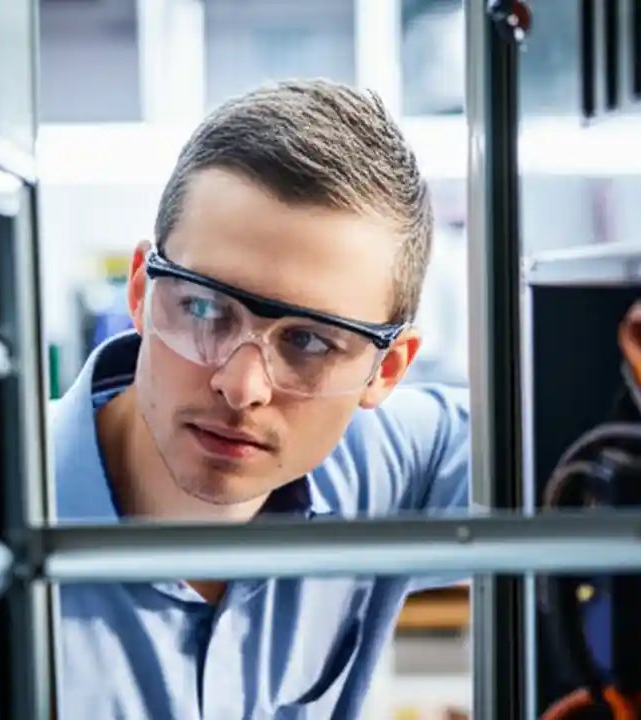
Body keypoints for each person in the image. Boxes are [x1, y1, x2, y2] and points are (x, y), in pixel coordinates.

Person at [50, 79, 471, 718]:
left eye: (308, 342)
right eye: (203, 308)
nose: (242, 387)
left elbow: (622, 440)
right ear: (140, 292)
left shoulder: (389, 466)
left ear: (387, 371)